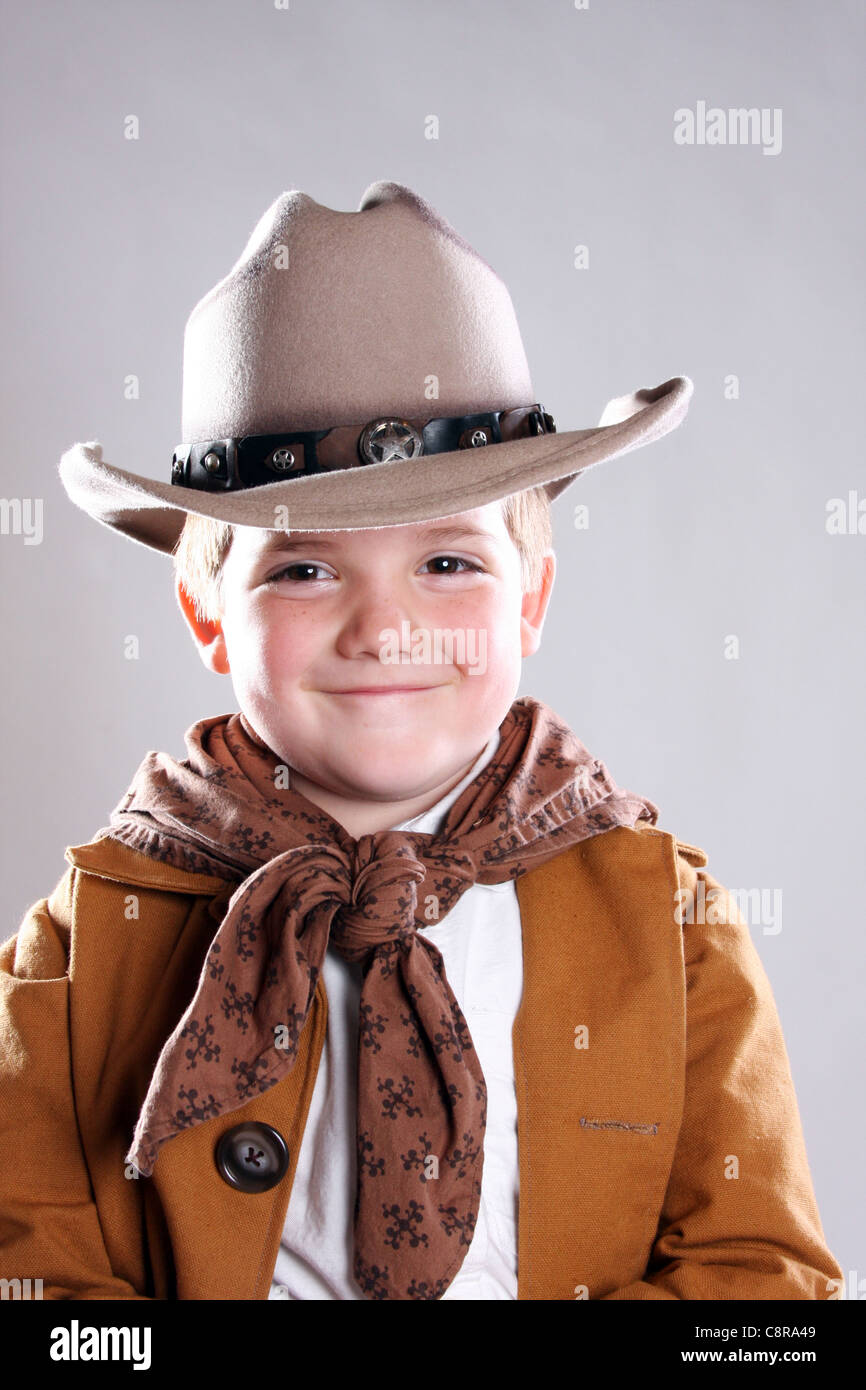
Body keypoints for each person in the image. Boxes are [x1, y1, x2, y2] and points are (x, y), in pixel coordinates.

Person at [0, 181, 841, 1300]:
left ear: (530, 600)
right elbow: (29, 1283)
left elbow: (764, 1291)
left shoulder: (667, 923)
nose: (384, 627)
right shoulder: (89, 936)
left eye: (448, 562)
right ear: (207, 615)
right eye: (302, 568)